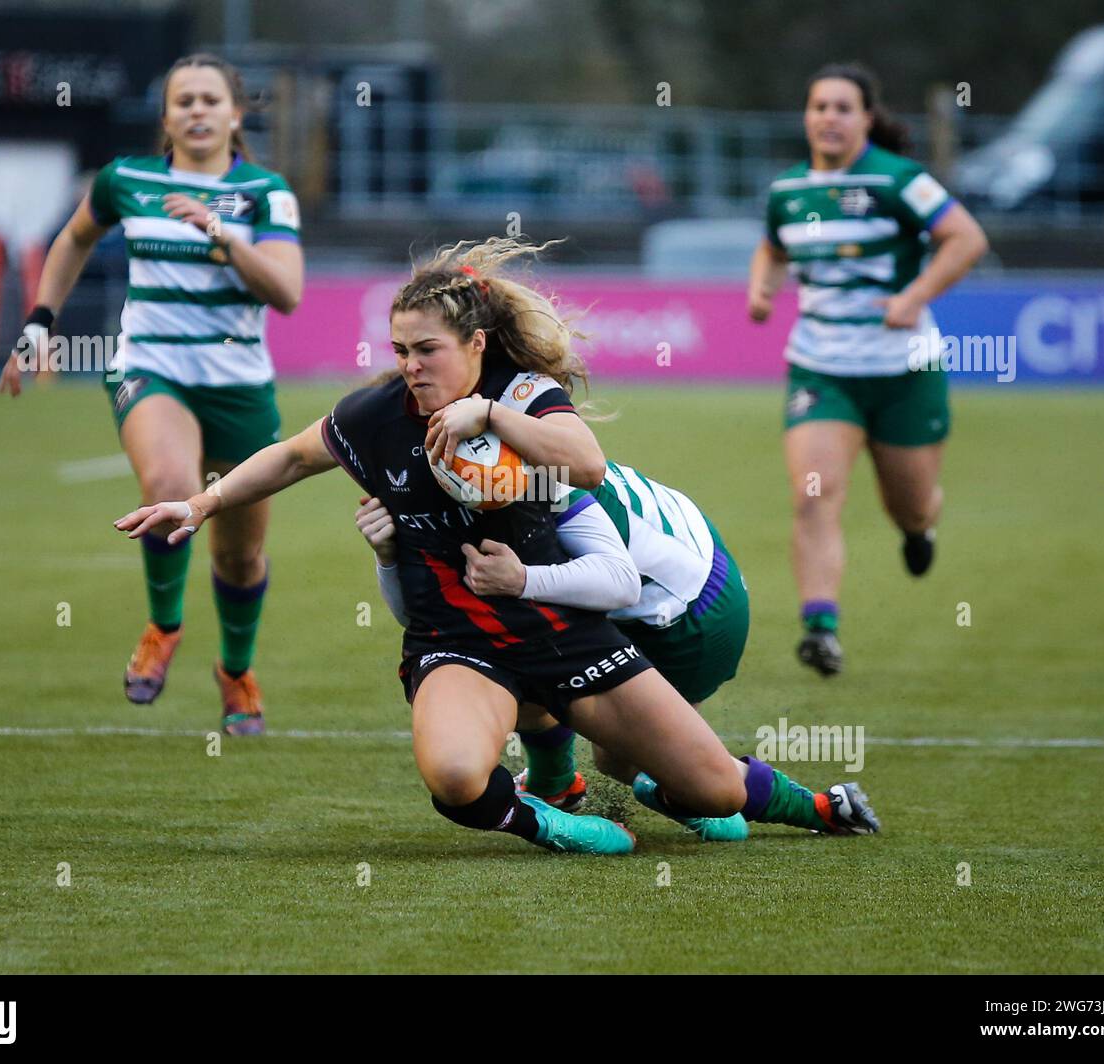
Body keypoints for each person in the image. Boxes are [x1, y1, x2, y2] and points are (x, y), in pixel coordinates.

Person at [116, 238, 880, 854]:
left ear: (477, 344)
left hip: (566, 631)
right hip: (459, 642)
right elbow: (291, 456)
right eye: (399, 350)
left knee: (713, 790)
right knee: (452, 775)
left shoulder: (522, 399)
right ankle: (552, 821)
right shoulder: (382, 413)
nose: (410, 367)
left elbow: (585, 464)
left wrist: (489, 421)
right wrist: (204, 500)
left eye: (427, 351)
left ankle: (818, 806)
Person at [0, 53, 304, 734]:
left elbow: (286, 293)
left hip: (238, 385)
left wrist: (219, 231)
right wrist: (38, 324)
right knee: (167, 482)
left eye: (208, 99)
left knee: (239, 553)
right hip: (149, 366)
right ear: (165, 118)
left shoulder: (265, 191)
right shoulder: (125, 180)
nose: (196, 110)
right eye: (183, 101)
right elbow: (73, 238)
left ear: (234, 113)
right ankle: (164, 627)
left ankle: (235, 669)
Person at [354, 457, 758, 842]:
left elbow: (620, 583)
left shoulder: (528, 479)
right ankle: (554, 786)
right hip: (699, 581)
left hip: (686, 614)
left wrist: (521, 580)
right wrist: (388, 556)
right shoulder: (528, 456)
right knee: (526, 649)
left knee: (623, 761)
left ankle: (799, 806)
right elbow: (423, 611)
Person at [748, 63, 988, 677]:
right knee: (815, 494)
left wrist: (913, 298)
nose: (829, 117)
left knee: (908, 505)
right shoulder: (788, 192)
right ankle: (820, 626)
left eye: (843, 108)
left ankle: (918, 530)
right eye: (819, 106)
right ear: (807, 116)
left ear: (866, 119)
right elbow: (773, 246)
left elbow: (965, 239)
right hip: (821, 369)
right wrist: (762, 290)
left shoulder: (902, 179)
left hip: (904, 368)